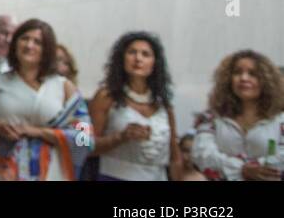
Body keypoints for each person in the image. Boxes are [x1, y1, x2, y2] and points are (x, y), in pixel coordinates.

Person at [0, 18, 93, 180]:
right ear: (15, 43)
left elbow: (85, 139)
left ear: (47, 50)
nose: (29, 45)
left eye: (38, 42)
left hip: (50, 172)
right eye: (25, 39)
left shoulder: (64, 87)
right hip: (0, 171)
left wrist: (38, 132)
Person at [88, 32, 180, 181]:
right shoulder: (105, 96)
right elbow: (82, 143)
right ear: (122, 59)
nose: (138, 58)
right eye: (132, 52)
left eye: (145, 54)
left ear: (155, 63)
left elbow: (175, 158)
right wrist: (120, 137)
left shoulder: (164, 105)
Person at [192, 49, 284, 181]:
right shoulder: (211, 117)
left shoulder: (280, 119)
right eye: (237, 72)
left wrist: (256, 169)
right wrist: (241, 169)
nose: (244, 78)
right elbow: (202, 154)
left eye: (253, 74)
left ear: (266, 81)